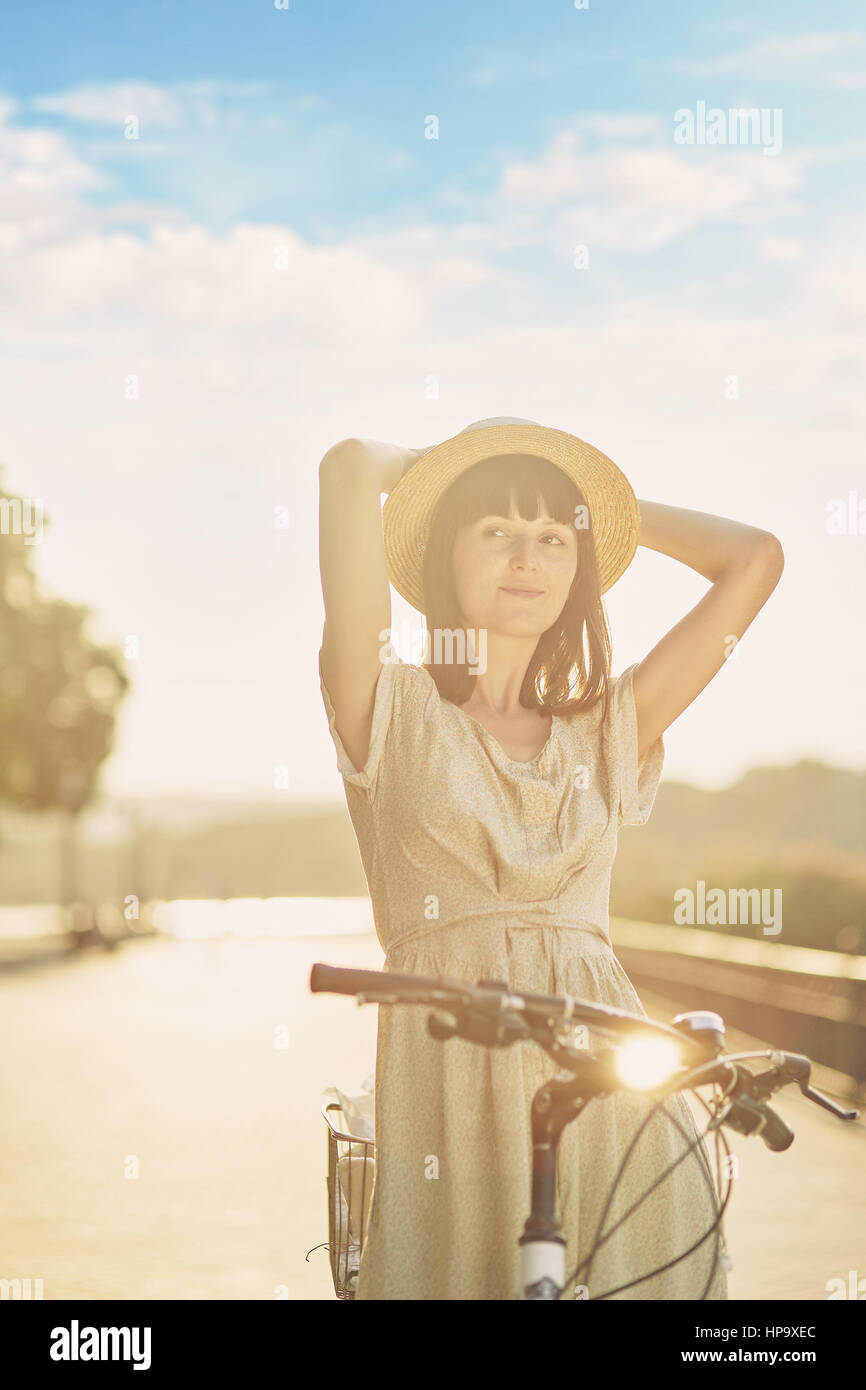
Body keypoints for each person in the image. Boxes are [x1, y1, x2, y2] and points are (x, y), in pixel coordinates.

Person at [317, 416, 784, 1300]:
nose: (527, 558)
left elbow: (755, 558)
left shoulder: (611, 726)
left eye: (551, 539)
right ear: (442, 559)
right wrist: (442, 471)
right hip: (446, 1099)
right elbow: (344, 468)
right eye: (494, 531)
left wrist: (597, 504)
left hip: (617, 1105)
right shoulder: (389, 706)